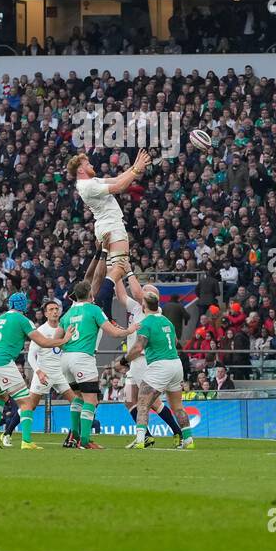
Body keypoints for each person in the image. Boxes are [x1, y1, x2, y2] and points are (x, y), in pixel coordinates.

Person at [0, 293, 66, 450]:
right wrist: (63, 340)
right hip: (3, 362)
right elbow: (43, 342)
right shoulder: (23, 320)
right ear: (22, 305)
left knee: (0, 396)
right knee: (26, 402)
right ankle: (26, 441)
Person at [59, 279, 136, 450]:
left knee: (78, 397)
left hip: (65, 359)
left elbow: (56, 340)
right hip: (83, 358)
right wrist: (129, 331)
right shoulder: (94, 310)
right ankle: (85, 440)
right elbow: (113, 332)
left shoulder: (67, 314)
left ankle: (75, 437)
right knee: (91, 400)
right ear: (90, 294)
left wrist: (66, 341)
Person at [70, 149, 151, 300]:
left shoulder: (87, 182)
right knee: (120, 268)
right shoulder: (87, 186)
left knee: (114, 273)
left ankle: (93, 302)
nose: (92, 164)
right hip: (112, 226)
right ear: (81, 169)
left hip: (105, 226)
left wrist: (135, 167)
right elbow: (119, 188)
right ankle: (91, 300)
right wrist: (136, 171)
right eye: (88, 163)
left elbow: (117, 179)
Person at [115, 274, 184, 447]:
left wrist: (128, 270)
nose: (141, 291)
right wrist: (115, 274)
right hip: (135, 362)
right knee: (129, 399)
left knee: (150, 402)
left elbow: (137, 293)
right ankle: (148, 435)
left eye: (146, 291)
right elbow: (122, 296)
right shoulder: (138, 308)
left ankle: (176, 432)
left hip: (146, 360)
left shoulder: (154, 313)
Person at [123, 291, 195, 450]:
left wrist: (124, 360)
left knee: (142, 403)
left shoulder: (146, 323)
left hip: (160, 365)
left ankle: (141, 439)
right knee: (178, 406)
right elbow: (175, 341)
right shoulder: (167, 321)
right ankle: (188, 439)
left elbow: (138, 347)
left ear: (143, 306)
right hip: (176, 364)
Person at [23, 300, 78, 436]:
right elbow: (31, 356)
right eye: (51, 309)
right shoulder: (41, 331)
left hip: (60, 374)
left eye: (56, 308)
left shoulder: (65, 328)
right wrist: (38, 371)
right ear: (46, 314)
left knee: (77, 402)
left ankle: (75, 435)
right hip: (44, 373)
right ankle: (8, 432)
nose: (54, 311)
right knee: (31, 406)